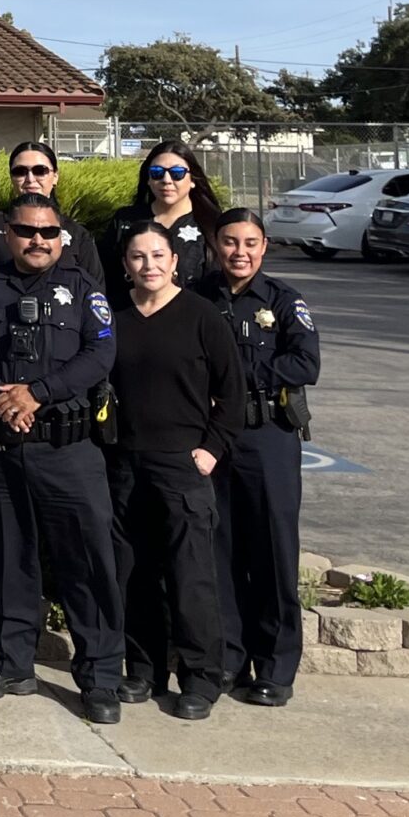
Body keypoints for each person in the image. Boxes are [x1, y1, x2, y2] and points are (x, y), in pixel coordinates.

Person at [0, 195, 126, 723]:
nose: (37, 240)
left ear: (61, 236)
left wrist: (37, 393)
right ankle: (12, 662)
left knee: (88, 567)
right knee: (6, 560)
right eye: (26, 231)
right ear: (7, 234)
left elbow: (101, 354)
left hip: (67, 450)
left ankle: (99, 678)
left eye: (48, 232)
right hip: (1, 448)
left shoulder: (84, 289)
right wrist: (1, 396)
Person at [107, 217, 243, 717]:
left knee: (191, 577)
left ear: (174, 261)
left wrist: (212, 448)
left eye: (158, 256)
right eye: (139, 257)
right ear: (126, 264)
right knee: (135, 574)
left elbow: (232, 394)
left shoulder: (201, 316)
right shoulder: (115, 317)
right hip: (126, 464)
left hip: (183, 466)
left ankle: (200, 678)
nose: (149, 265)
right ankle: (143, 671)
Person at [195, 207, 321, 708]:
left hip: (267, 433)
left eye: (249, 243)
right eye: (230, 242)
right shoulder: (199, 296)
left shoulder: (284, 300)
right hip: (214, 438)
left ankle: (275, 667)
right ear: (216, 245)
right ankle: (228, 657)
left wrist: (236, 374)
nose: (239, 252)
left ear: (263, 247)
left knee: (271, 550)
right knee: (218, 548)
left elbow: (305, 363)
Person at [0, 143, 102, 281]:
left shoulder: (77, 234)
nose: (30, 179)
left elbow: (94, 290)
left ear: (55, 176)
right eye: (20, 172)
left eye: (40, 171)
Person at [100, 140, 224, 287]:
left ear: (193, 180)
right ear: (148, 179)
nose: (166, 180)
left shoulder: (213, 224)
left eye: (177, 173)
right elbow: (106, 275)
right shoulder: (126, 220)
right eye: (157, 173)